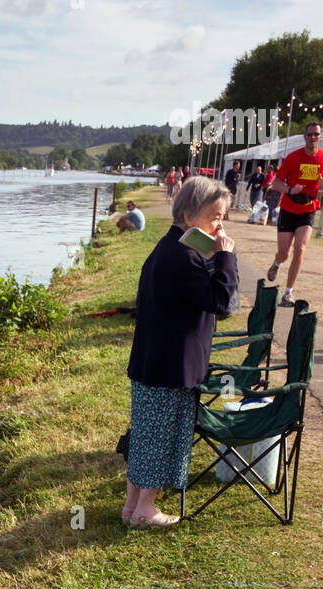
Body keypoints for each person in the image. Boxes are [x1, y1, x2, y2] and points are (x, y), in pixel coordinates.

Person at [123, 176, 237, 528]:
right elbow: (221, 301)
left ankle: (132, 507)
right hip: (169, 366)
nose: (220, 224)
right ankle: (146, 510)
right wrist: (226, 258)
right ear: (188, 215)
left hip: (153, 361)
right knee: (160, 436)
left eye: (222, 217)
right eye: (214, 216)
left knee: (144, 435)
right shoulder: (183, 257)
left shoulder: (169, 248)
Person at [267, 122, 323, 306]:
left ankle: (288, 293)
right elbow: (275, 183)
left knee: (300, 248)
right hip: (289, 208)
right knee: (284, 253)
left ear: (320, 136)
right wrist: (290, 190)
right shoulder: (293, 157)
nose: (313, 137)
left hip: (308, 207)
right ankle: (276, 263)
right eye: (309, 134)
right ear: (304, 137)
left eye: (316, 134)